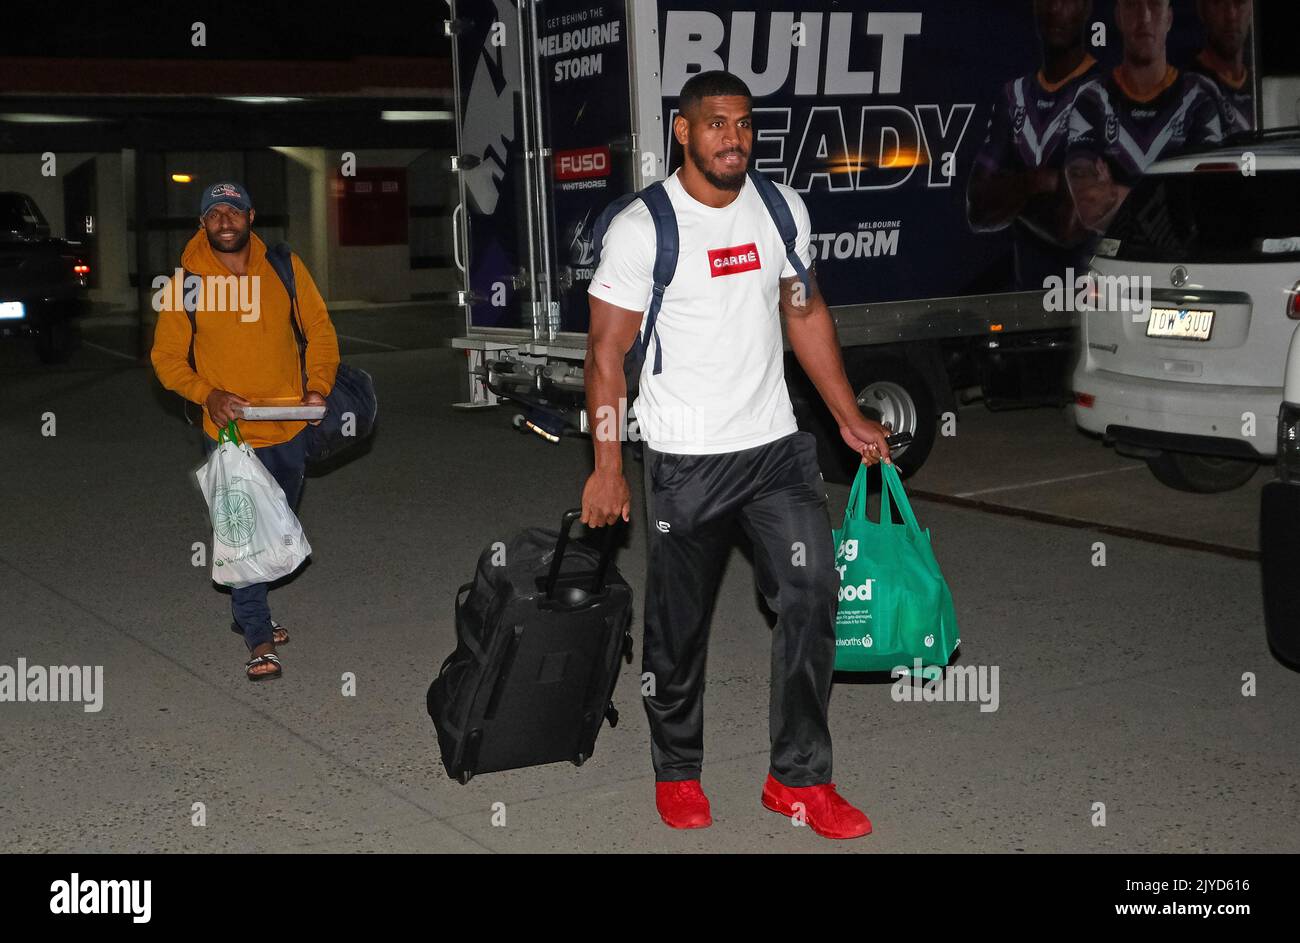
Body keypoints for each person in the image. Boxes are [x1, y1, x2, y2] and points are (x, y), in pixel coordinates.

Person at [582, 71, 892, 840]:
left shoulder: (781, 210)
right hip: (686, 459)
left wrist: (847, 413)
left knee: (814, 592)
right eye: (715, 124)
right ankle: (678, 769)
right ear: (683, 132)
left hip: (776, 450)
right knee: (678, 629)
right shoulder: (642, 228)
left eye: (744, 124)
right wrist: (610, 464)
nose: (733, 138)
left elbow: (805, 311)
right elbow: (605, 353)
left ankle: (799, 778)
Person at [151, 181, 339, 681]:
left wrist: (317, 388)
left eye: (234, 211)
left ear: (251, 216)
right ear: (203, 223)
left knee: (276, 522)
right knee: (241, 536)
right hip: (230, 433)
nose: (226, 221)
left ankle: (245, 607)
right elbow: (166, 359)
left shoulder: (283, 265)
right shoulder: (187, 282)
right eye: (215, 214)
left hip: (289, 425)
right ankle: (258, 635)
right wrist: (206, 394)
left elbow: (318, 329)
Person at [967, 0, 1102, 289]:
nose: (1056, 9)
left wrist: (1008, 194)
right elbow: (977, 209)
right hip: (1026, 298)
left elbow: (1071, 225)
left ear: (1087, 7)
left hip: (1091, 299)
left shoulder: (1104, 93)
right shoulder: (1014, 95)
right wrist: (1037, 182)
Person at [1065, 0, 1226, 233]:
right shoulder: (1092, 100)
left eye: (1154, 5)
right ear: (1119, 16)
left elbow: (1206, 204)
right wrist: (1171, 199)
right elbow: (1090, 204)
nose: (1145, 17)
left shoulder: (1198, 98)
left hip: (1181, 265)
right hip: (1118, 267)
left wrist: (1116, 193)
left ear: (1169, 18)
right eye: (1132, 5)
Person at [1188, 0, 1255, 135]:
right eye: (1218, 2)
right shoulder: (1185, 88)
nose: (1231, 15)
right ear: (1202, 10)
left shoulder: (1264, 87)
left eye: (1240, 2)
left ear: (1252, 9)